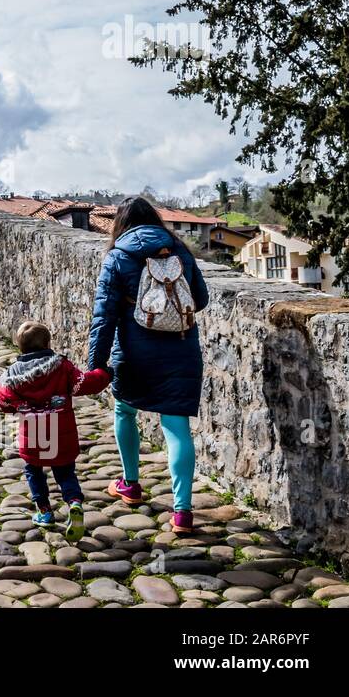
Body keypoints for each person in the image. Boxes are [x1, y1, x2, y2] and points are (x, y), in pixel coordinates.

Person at [88, 196, 210, 535]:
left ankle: (130, 483)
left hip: (134, 354)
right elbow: (200, 299)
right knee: (177, 429)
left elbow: (104, 317)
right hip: (181, 351)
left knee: (124, 412)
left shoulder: (117, 257)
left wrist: (95, 366)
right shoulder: (179, 250)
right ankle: (183, 513)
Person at [0, 321, 112, 536]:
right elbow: (83, 384)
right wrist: (104, 374)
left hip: (33, 434)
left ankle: (45, 512)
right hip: (62, 433)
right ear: (48, 342)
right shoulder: (62, 367)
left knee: (33, 471)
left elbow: (4, 401)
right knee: (65, 471)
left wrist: (21, 407)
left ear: (20, 346)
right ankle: (75, 503)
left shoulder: (12, 375)